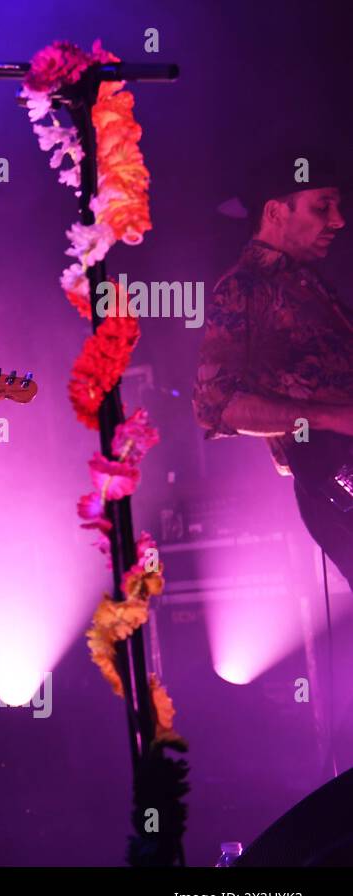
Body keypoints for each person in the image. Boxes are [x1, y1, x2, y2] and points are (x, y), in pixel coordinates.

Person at [194, 152, 353, 581]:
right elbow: (217, 404)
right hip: (339, 480)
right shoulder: (244, 288)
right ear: (274, 212)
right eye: (322, 206)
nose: (337, 220)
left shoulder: (308, 283)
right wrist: (329, 418)